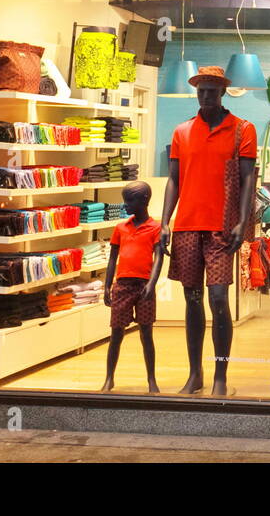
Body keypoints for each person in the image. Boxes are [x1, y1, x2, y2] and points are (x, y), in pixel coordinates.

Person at [161, 65, 258, 397]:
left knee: (218, 298)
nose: (205, 96)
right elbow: (174, 179)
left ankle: (220, 374)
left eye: (212, 91)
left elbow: (248, 179)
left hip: (221, 227)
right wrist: (164, 223)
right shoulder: (182, 131)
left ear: (222, 92)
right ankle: (194, 373)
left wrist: (242, 221)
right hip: (187, 226)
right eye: (201, 90)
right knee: (192, 300)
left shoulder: (242, 130)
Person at [101, 181, 163, 393]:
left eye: (129, 200)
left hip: (144, 286)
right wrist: (107, 286)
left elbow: (158, 258)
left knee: (147, 334)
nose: (125, 205)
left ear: (143, 201)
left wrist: (152, 283)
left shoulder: (156, 228)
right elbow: (112, 259)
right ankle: (109, 378)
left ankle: (152, 380)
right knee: (116, 334)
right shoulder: (120, 228)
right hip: (123, 286)